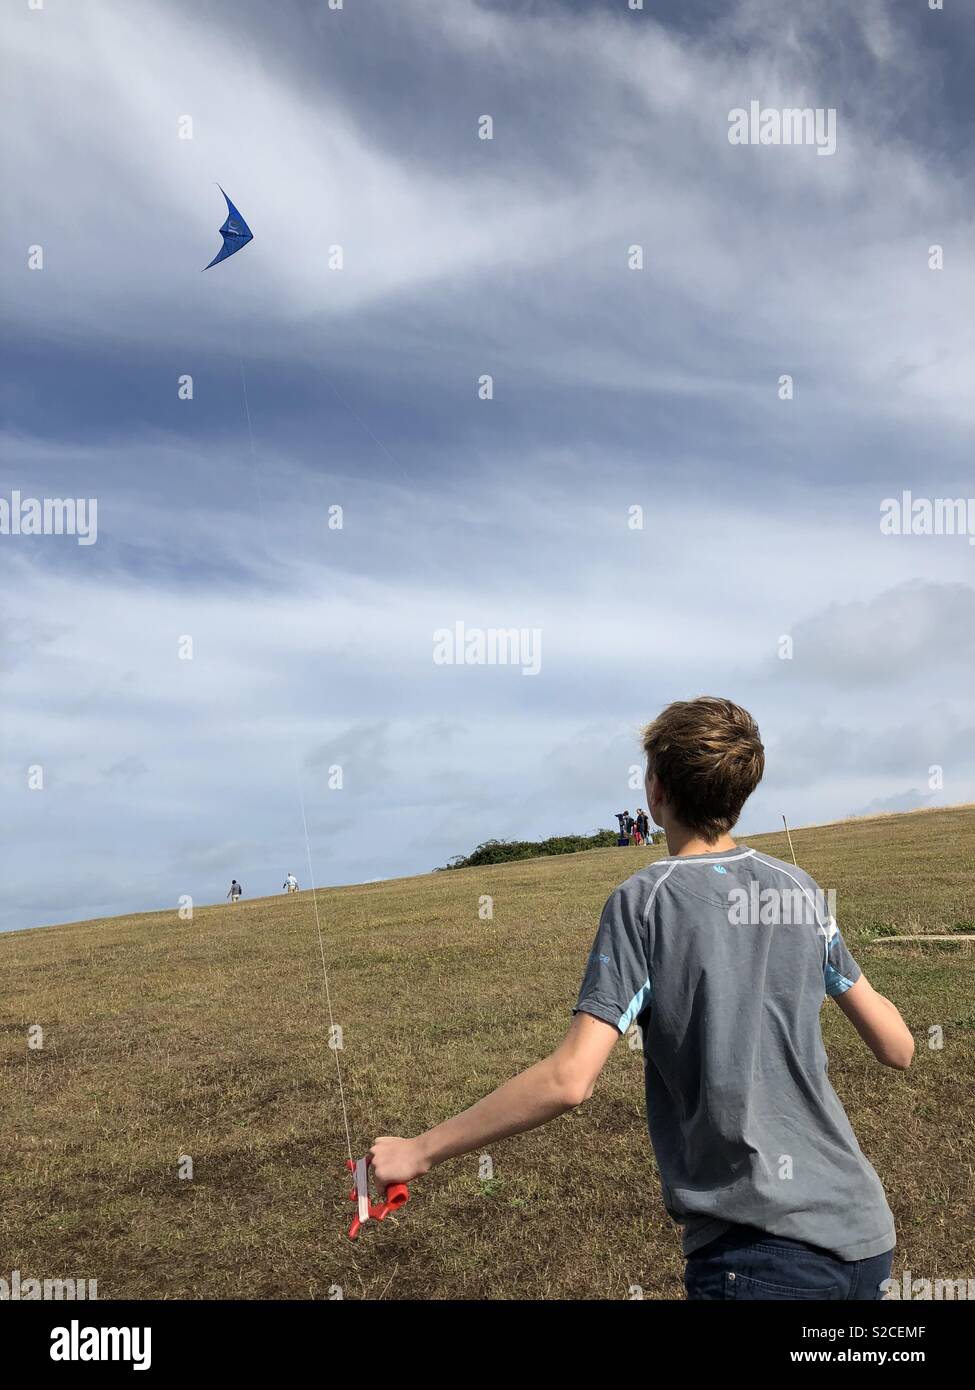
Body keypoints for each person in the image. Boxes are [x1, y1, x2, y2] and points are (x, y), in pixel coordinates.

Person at [369, 696, 910, 1301]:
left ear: (655, 790)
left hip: (757, 1255)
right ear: (740, 791)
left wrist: (417, 1151)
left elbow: (568, 1080)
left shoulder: (645, 902)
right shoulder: (799, 889)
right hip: (866, 1239)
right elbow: (898, 1046)